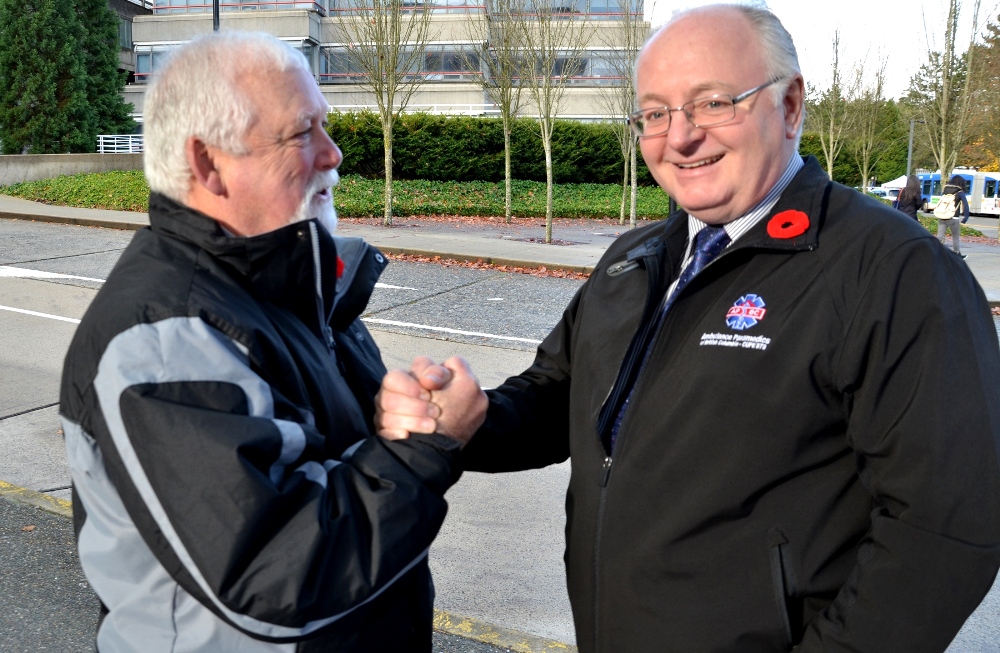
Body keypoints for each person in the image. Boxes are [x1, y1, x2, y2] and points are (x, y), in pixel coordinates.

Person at [375, 4, 1000, 652]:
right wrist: (466, 420)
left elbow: (944, 531)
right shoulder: (633, 259)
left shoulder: (894, 270)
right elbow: (559, 396)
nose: (680, 137)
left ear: (789, 106)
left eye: (712, 103)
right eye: (654, 113)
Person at [59, 32, 463, 652]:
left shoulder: (286, 286)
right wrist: (420, 450)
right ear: (208, 165)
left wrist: (399, 422)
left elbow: (345, 456)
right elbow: (275, 573)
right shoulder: (166, 335)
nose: (332, 155)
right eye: (302, 134)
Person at [938, 174, 971, 258]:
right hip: (953, 217)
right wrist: (965, 218)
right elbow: (965, 205)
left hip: (942, 216)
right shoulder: (960, 192)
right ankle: (957, 254)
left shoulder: (945, 190)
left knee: (940, 236)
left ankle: (934, 252)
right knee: (955, 237)